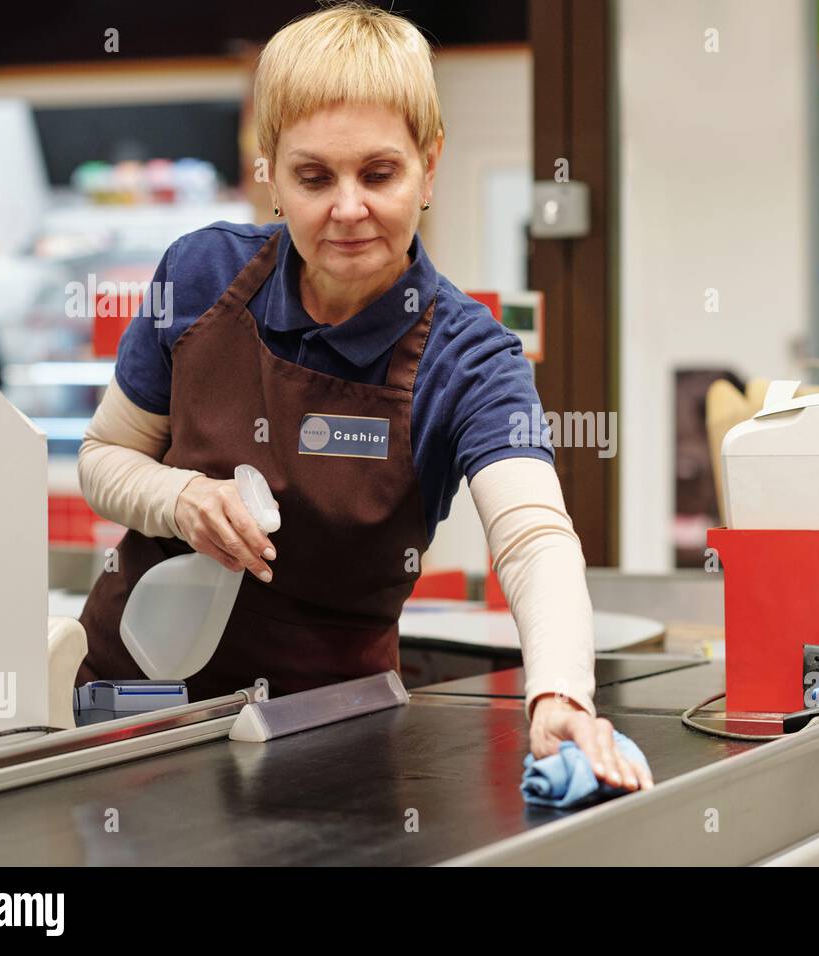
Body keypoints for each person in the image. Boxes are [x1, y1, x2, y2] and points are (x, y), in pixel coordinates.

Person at [75, 2, 650, 792]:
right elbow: (104, 458)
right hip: (134, 713)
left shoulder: (470, 357)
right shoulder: (201, 277)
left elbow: (532, 538)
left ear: (430, 166)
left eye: (378, 173)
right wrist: (179, 499)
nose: (348, 209)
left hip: (321, 751)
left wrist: (559, 694)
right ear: (269, 172)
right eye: (314, 176)